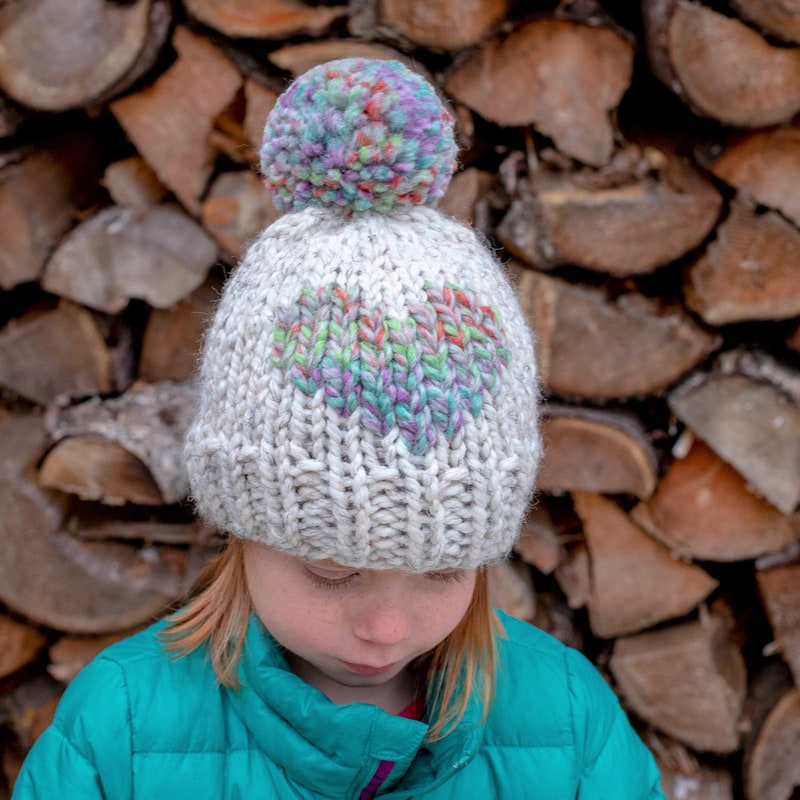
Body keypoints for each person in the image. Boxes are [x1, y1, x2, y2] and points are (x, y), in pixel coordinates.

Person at [12, 58, 665, 799]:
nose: (387, 627)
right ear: (246, 529)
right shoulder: (122, 724)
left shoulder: (568, 720)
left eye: (442, 571)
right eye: (331, 573)